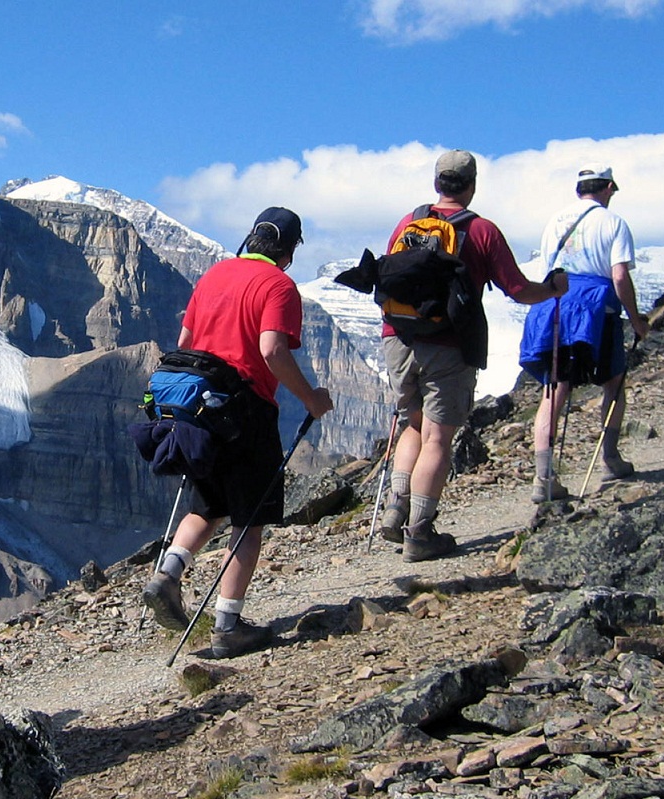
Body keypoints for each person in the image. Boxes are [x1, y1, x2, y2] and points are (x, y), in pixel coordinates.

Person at [141, 207, 334, 658]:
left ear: (251, 238)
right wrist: (310, 398)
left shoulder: (214, 276)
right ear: (289, 250)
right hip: (247, 410)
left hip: (200, 408)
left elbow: (185, 342)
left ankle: (167, 574)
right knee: (249, 519)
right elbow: (272, 349)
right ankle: (228, 626)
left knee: (208, 504)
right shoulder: (278, 285)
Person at [378, 151, 567, 561]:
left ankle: (396, 507)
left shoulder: (407, 222)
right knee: (437, 437)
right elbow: (518, 289)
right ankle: (419, 533)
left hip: (398, 338)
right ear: (472, 185)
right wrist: (552, 289)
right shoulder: (481, 230)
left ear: (436, 183)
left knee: (413, 424)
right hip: (447, 343)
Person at [520, 164, 648, 502]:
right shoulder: (613, 223)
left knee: (554, 389)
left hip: (554, 306)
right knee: (613, 381)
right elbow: (619, 276)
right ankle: (610, 458)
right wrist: (636, 319)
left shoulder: (555, 220)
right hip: (595, 310)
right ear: (608, 188)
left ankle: (544, 477)